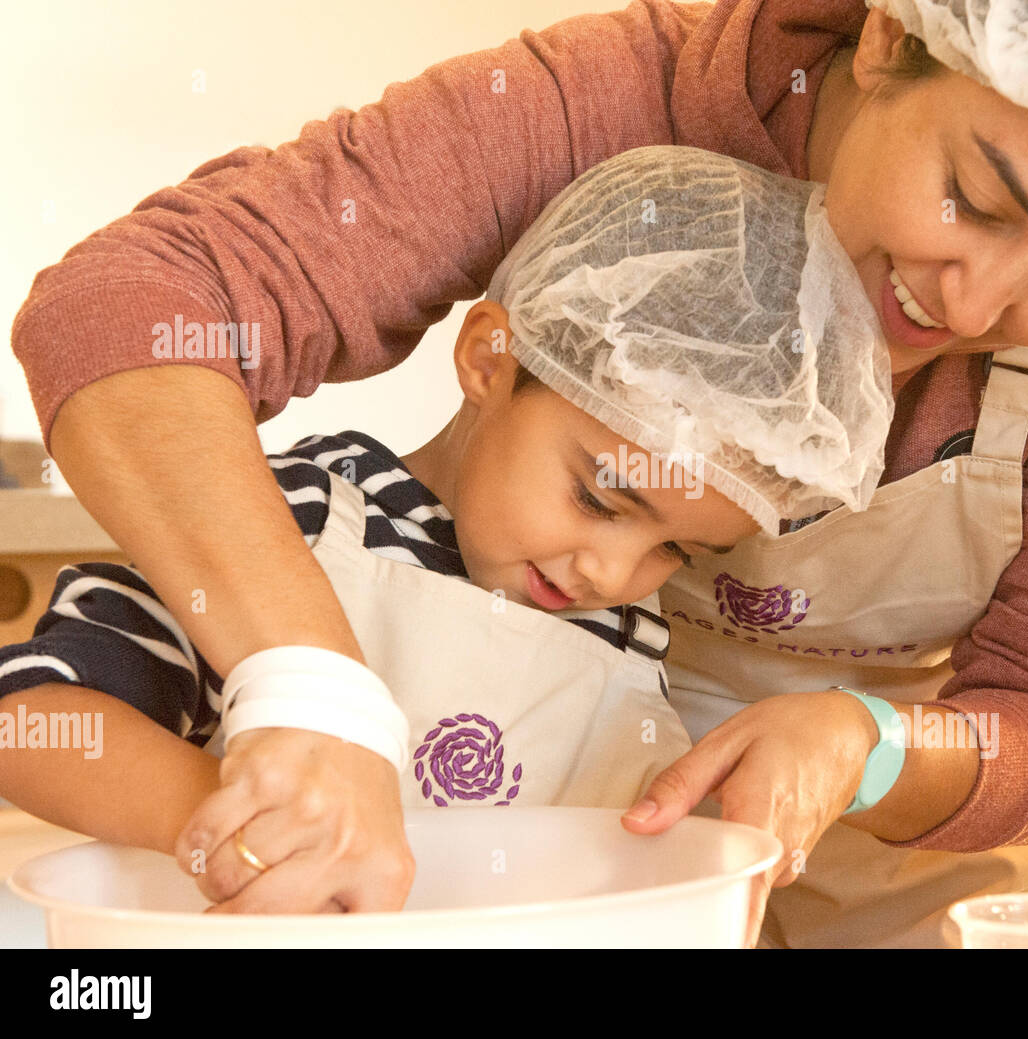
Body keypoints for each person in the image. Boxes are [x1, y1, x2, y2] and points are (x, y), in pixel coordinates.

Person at [9, 0, 1028, 947]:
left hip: (941, 893)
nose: (978, 300)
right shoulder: (605, 99)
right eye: (975, 195)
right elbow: (127, 310)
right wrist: (307, 686)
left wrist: (878, 744)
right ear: (892, 37)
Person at [0, 146, 890, 883]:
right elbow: (34, 721)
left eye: (676, 552)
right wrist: (252, 831)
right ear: (489, 359)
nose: (613, 575)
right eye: (598, 497)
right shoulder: (306, 519)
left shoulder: (628, 635)